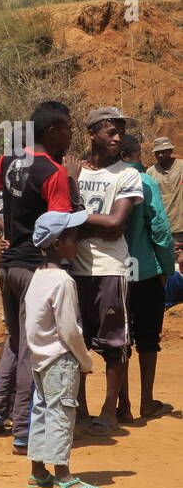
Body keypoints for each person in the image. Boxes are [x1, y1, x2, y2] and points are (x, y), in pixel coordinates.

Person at [0, 100, 74, 452]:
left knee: (14, 340)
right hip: (34, 268)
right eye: (68, 127)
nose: (72, 133)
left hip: (7, 265)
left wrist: (2, 225)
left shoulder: (11, 160)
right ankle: (25, 428)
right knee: (32, 348)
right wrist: (71, 181)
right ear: (53, 131)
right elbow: (58, 227)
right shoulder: (53, 172)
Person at [69, 106, 142, 436]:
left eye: (120, 133)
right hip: (73, 268)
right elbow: (60, 216)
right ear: (92, 134)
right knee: (75, 341)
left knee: (115, 343)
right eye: (110, 132)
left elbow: (117, 223)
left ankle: (109, 409)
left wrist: (77, 223)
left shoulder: (128, 173)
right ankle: (79, 407)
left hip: (111, 267)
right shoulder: (73, 172)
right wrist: (95, 225)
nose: (118, 138)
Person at [25, 210, 99, 488]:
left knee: (42, 412)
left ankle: (38, 471)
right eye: (72, 237)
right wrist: (85, 360)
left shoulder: (38, 276)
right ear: (57, 243)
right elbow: (69, 330)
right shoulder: (64, 281)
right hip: (61, 360)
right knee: (62, 415)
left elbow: (32, 321)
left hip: (40, 359)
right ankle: (64, 477)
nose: (77, 241)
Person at [115, 133, 174, 421]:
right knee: (148, 338)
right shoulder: (145, 182)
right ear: (137, 153)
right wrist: (168, 269)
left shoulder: (106, 178)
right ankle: (146, 401)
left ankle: (121, 404)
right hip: (146, 270)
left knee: (120, 338)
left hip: (113, 271)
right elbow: (161, 231)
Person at [147, 136, 183, 243]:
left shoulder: (181, 166)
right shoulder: (151, 172)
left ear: (171, 151)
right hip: (162, 225)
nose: (160, 155)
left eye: (164, 152)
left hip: (180, 223)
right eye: (157, 152)